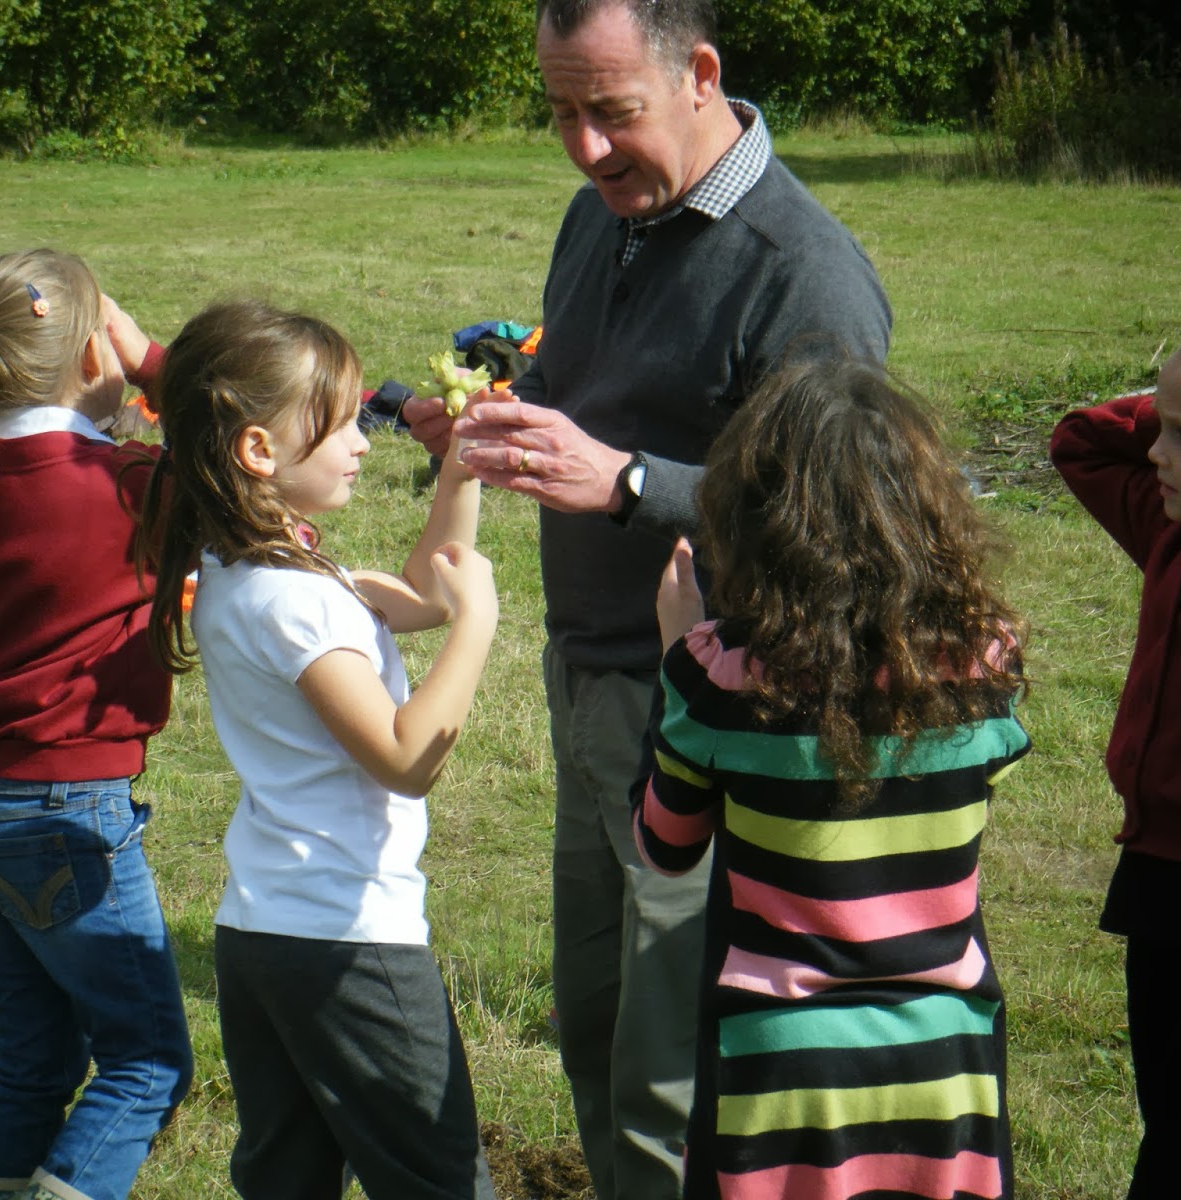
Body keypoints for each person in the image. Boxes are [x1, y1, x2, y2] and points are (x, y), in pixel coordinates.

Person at [402, 2, 892, 1194]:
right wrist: (499, 413)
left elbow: (839, 525)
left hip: (712, 710)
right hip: (587, 681)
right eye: (560, 113)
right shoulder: (600, 215)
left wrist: (625, 482)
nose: (581, 149)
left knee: (678, 1068)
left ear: (699, 75)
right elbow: (589, 381)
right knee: (600, 1023)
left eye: (609, 113)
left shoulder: (803, 275)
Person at [639, 359, 1031, 1199]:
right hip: (947, 1057)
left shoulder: (721, 682)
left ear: (753, 525)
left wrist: (679, 653)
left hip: (783, 1071)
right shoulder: (985, 662)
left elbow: (664, 847)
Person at [137, 299, 499, 1200]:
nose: (364, 442)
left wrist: (460, 467)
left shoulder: (255, 568)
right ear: (260, 451)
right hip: (348, 943)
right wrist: (479, 629)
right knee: (440, 1180)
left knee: (287, 1177)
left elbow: (418, 593)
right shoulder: (291, 600)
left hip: (264, 934)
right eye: (340, 425)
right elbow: (405, 757)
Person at [0, 249, 193, 1200]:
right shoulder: (130, 485)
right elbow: (247, 429)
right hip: (70, 806)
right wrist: (152, 366)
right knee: (147, 1063)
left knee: (33, 1056)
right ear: (92, 351)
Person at [1049, 296, 1181, 1197]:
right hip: (1161, 878)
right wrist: (1180, 394)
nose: (1158, 452)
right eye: (1160, 429)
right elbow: (1079, 441)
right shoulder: (1174, 531)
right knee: (1171, 1115)